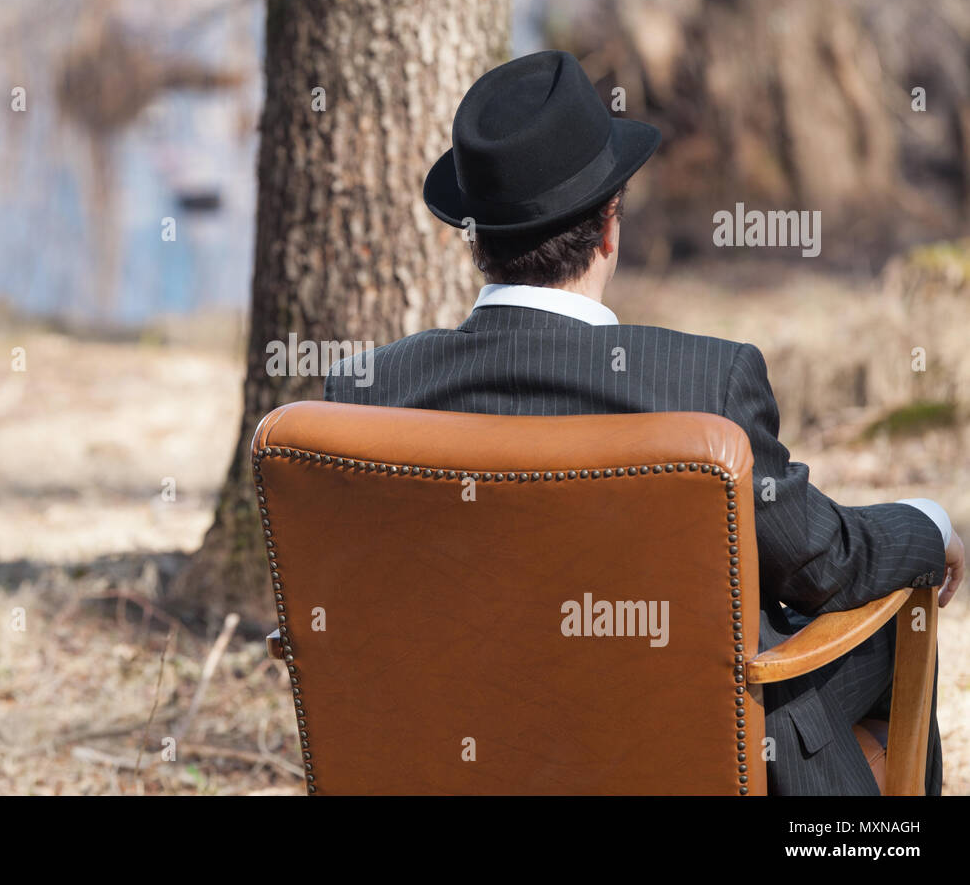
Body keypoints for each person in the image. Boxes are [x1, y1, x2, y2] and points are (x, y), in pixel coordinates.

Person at [323, 50, 963, 795]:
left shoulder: (366, 393)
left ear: (475, 243)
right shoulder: (701, 384)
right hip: (686, 756)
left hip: (452, 754)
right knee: (893, 623)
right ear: (609, 229)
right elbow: (826, 566)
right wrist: (929, 524)